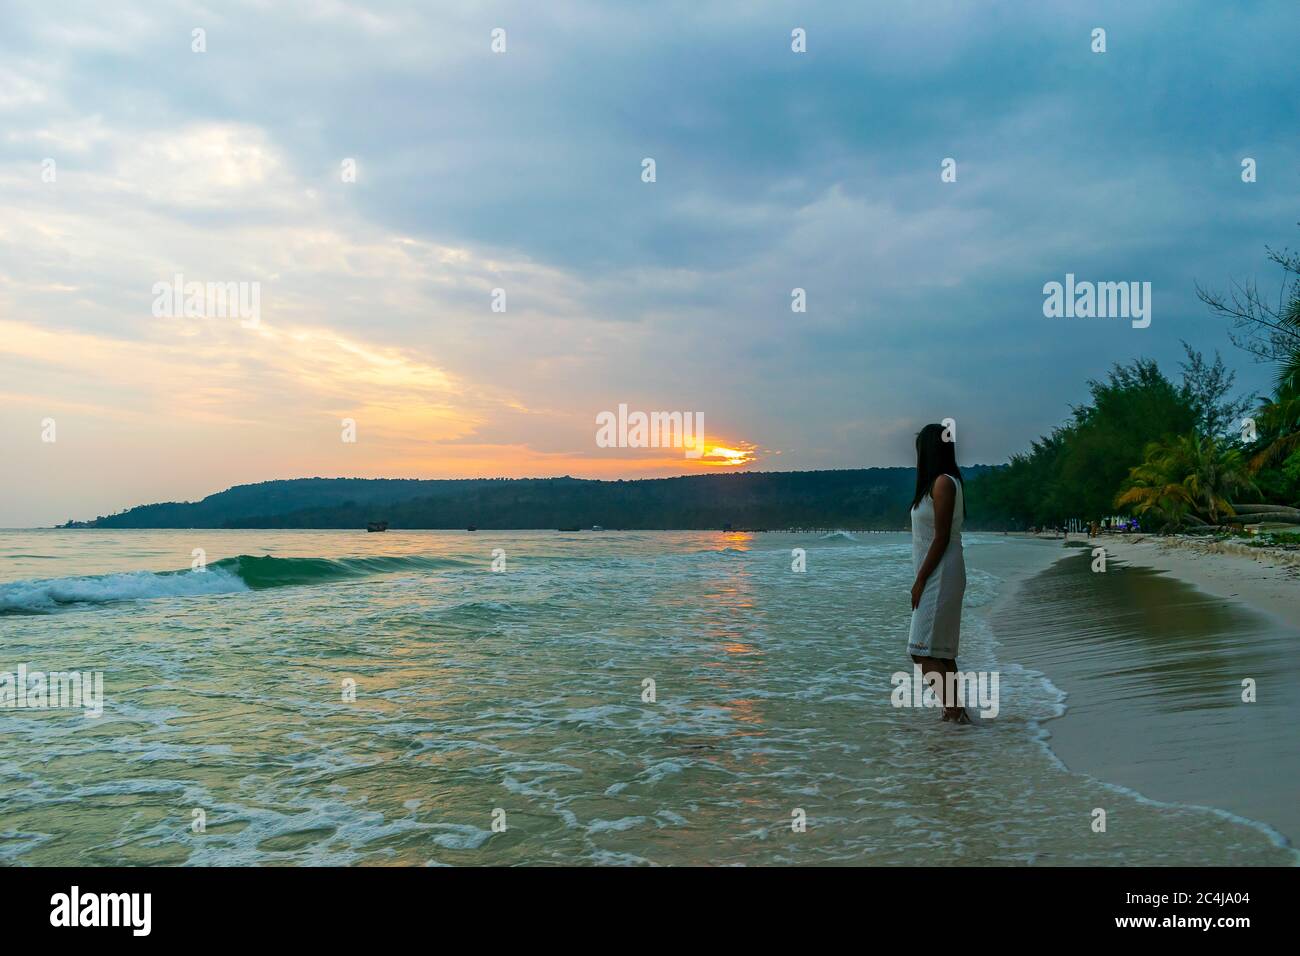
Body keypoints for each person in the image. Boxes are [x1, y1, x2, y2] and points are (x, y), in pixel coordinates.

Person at [906, 423, 969, 723]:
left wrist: (919, 580)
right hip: (941, 569)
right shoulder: (939, 483)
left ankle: (953, 710)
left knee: (921, 651)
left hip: (941, 572)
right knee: (942, 651)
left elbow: (941, 537)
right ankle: (956, 716)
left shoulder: (943, 483)